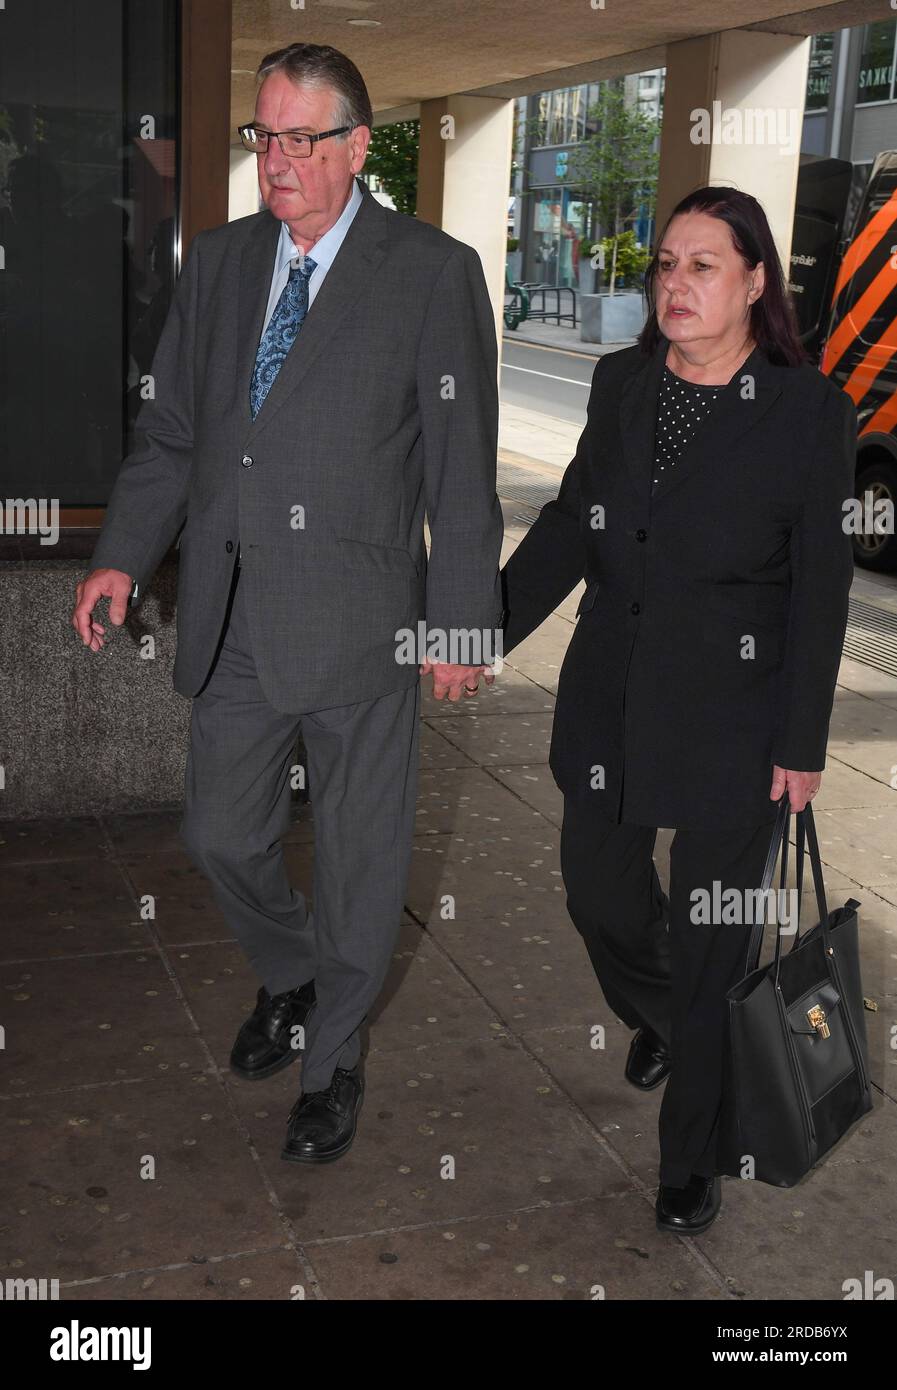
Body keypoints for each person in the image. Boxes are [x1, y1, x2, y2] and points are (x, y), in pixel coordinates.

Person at [72, 43, 502, 1165]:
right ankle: (298, 975)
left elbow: (461, 469)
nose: (279, 160)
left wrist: (461, 618)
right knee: (221, 835)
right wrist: (122, 555)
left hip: (367, 623)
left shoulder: (428, 271)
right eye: (266, 136)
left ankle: (334, 1059)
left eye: (303, 139)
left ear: (360, 147)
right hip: (235, 612)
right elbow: (172, 432)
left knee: (362, 862)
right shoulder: (217, 265)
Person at [500, 185, 856, 1235]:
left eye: (705, 265)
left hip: (737, 723)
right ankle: (665, 1018)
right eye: (666, 264)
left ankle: (693, 1149)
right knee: (597, 894)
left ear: (755, 284)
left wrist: (801, 744)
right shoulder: (621, 385)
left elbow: (825, 589)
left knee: (713, 942)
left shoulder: (808, 412)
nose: (677, 284)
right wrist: (481, 632)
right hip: (611, 701)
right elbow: (574, 520)